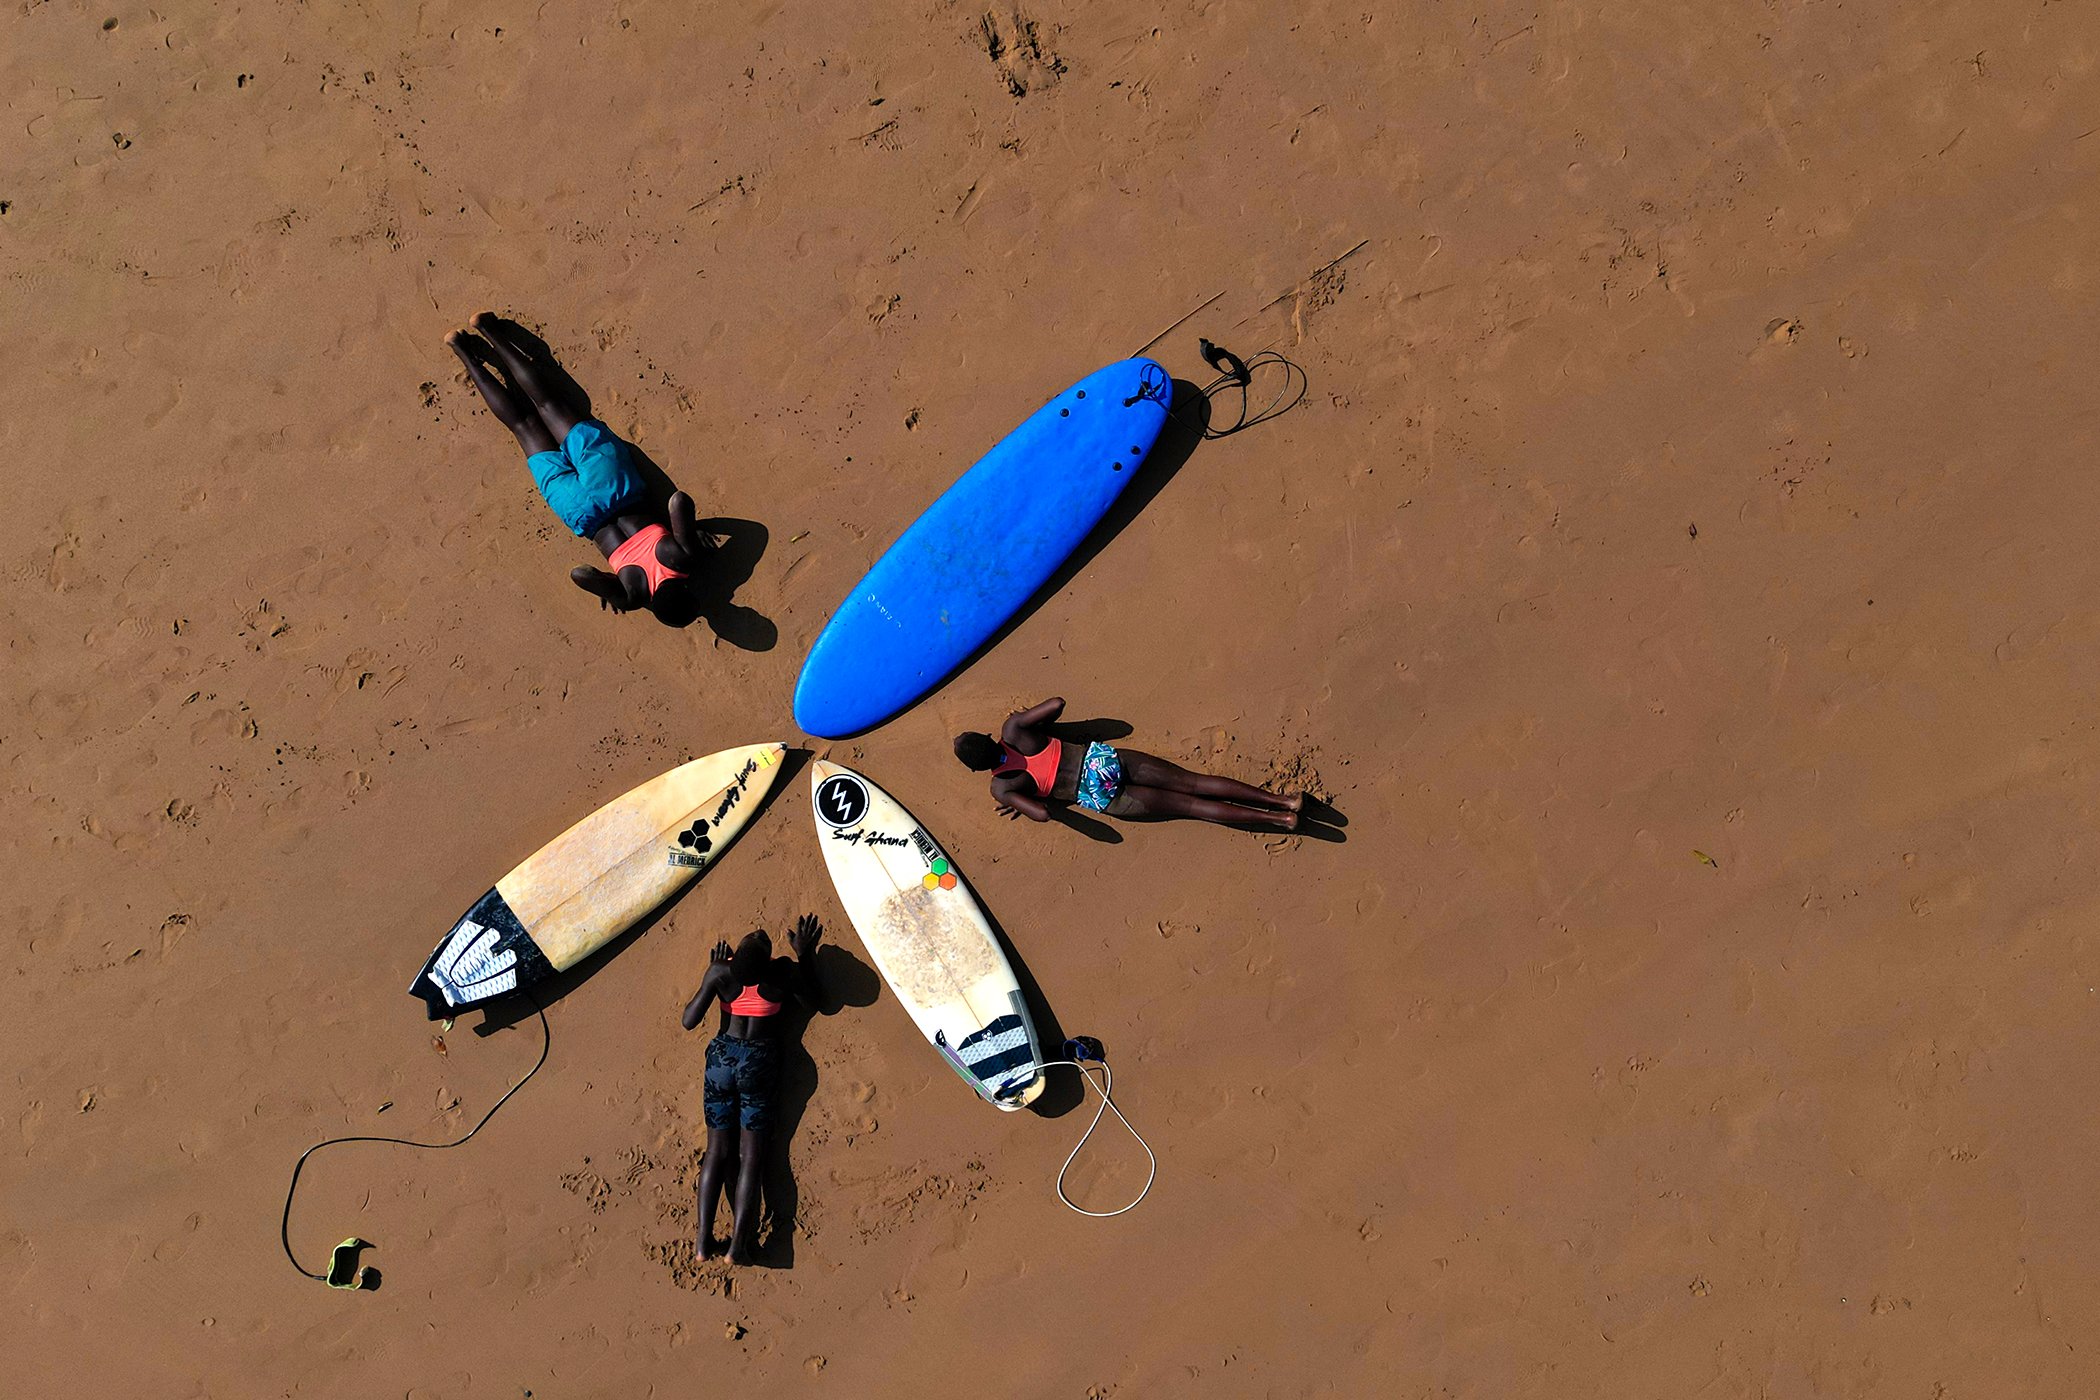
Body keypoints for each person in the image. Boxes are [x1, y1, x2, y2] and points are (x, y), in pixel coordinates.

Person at [444, 312, 711, 618]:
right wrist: (607, 586)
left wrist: (688, 534)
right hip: (581, 511)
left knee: (549, 405)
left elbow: (679, 501)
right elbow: (580, 574)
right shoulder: (632, 597)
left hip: (614, 486)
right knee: (523, 426)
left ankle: (488, 330)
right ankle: (463, 351)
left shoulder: (681, 560)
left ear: (687, 593)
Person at [679, 915, 822, 1264]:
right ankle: (738, 1246)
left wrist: (712, 973)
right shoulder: (782, 973)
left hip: (721, 1062)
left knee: (716, 1152)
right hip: (758, 1064)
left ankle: (702, 1242)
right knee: (752, 1156)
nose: (758, 933)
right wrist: (805, 955)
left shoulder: (720, 973)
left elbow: (688, 1020)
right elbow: (817, 1002)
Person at [954, 697, 1305, 831]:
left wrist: (1026, 798)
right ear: (988, 738)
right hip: (1102, 762)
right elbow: (1057, 704)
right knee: (1195, 783)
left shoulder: (1001, 787)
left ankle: (1280, 820)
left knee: (1193, 807)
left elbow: (1043, 814)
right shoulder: (1014, 729)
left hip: (1098, 796)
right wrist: (1024, 720)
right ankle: (1284, 801)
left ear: (977, 769)